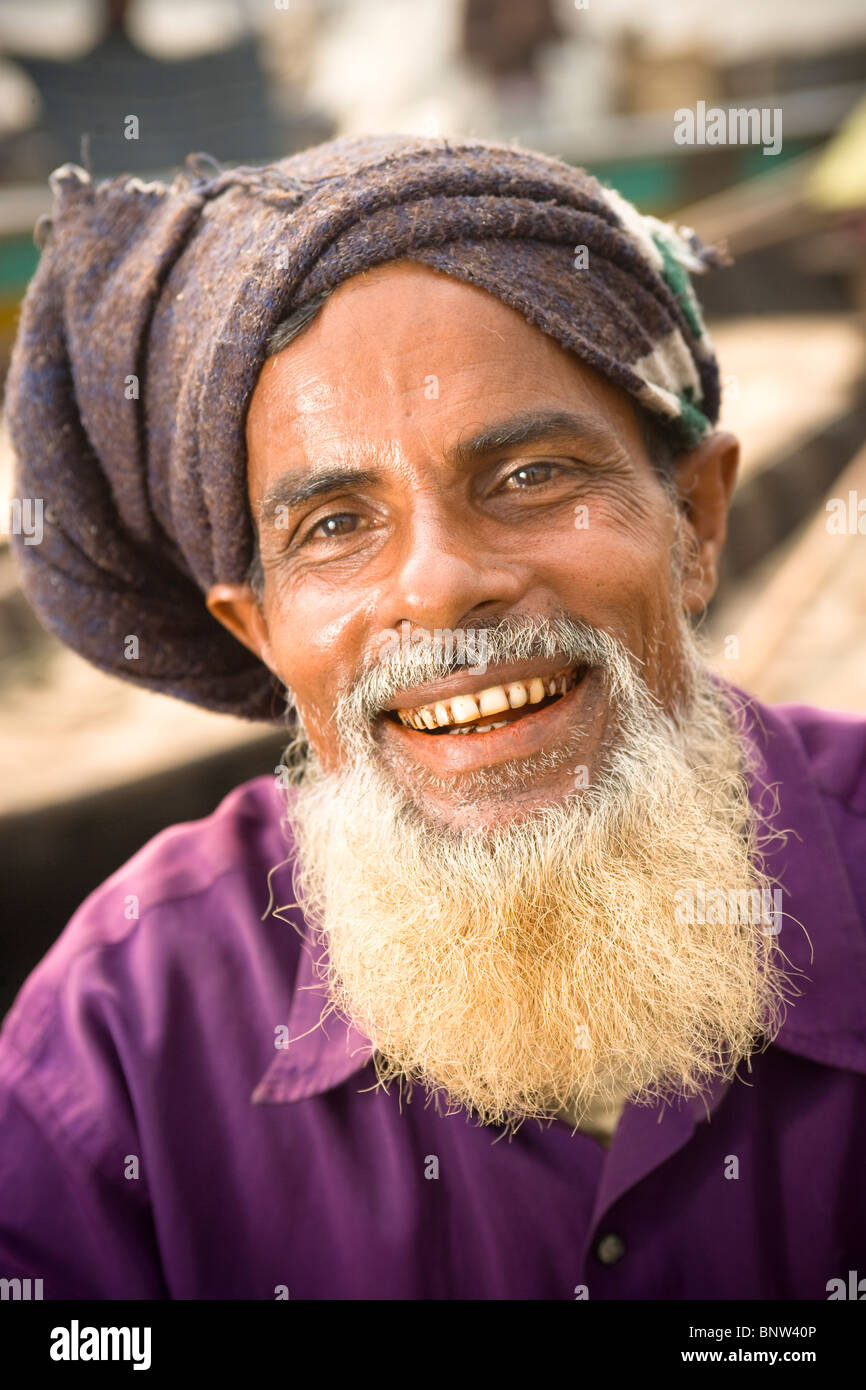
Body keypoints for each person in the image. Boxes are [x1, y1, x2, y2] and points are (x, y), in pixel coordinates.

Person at [1, 135, 864, 1300]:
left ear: (697, 523)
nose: (438, 584)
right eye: (336, 525)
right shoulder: (122, 1037)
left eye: (529, 477)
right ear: (257, 630)